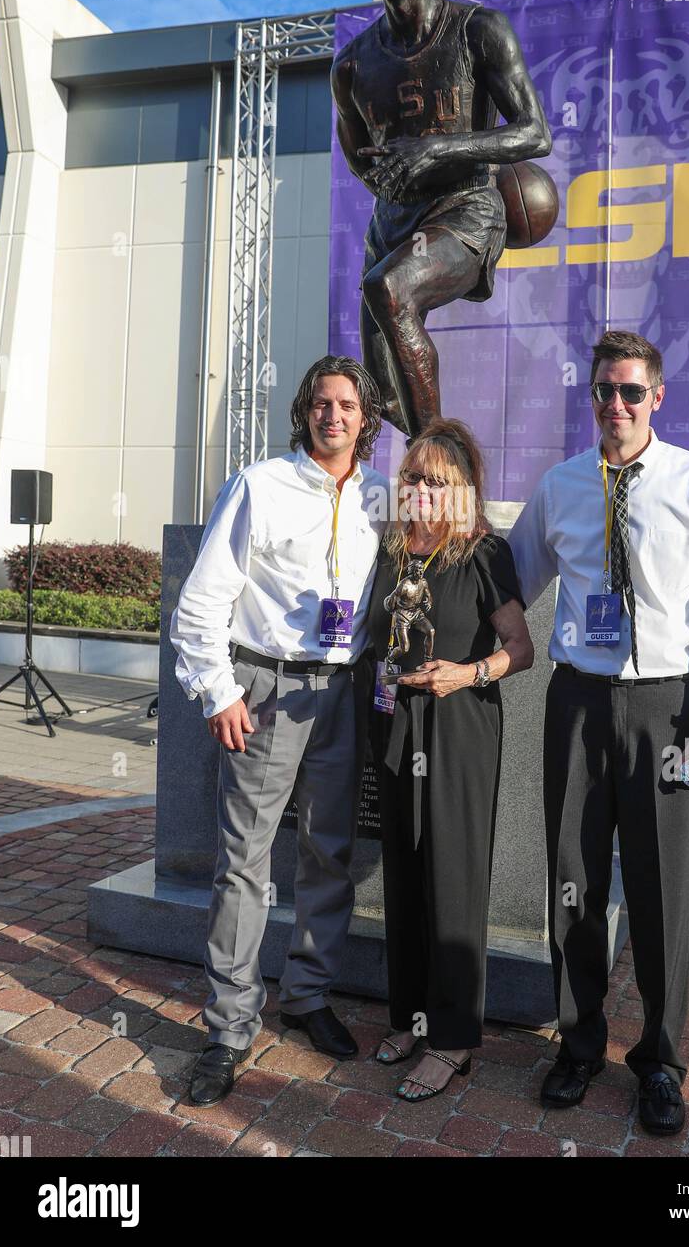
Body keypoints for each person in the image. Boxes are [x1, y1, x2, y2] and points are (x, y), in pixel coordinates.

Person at [509, 330, 689, 1135]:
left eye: (631, 393)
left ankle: (659, 1061)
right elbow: (512, 579)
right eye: (604, 392)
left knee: (660, 896)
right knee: (573, 881)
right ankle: (579, 1047)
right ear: (590, 396)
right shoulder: (560, 487)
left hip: (672, 711)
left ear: (657, 398)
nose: (615, 406)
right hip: (578, 704)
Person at [169, 356, 388, 1106]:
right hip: (265, 690)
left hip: (344, 691)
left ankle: (308, 995)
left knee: (330, 852)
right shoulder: (259, 485)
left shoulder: (378, 501)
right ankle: (229, 1028)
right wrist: (219, 694)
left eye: (349, 405)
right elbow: (199, 604)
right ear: (305, 413)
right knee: (245, 860)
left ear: (367, 418)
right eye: (322, 403)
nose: (335, 415)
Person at [331, 0, 552, 437]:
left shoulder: (479, 30)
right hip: (393, 223)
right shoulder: (352, 65)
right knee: (380, 395)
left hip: (465, 206)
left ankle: (440, 465)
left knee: (390, 289)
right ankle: (437, 469)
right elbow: (358, 153)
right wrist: (389, 175)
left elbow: (534, 133)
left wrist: (436, 151)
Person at [365, 418, 534, 1100]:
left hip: (460, 729)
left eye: (434, 481)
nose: (420, 491)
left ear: (461, 489)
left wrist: (466, 675)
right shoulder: (391, 549)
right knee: (403, 875)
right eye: (412, 478)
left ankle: (456, 1039)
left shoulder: (484, 553)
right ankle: (409, 1016)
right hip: (397, 726)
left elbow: (521, 650)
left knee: (453, 881)